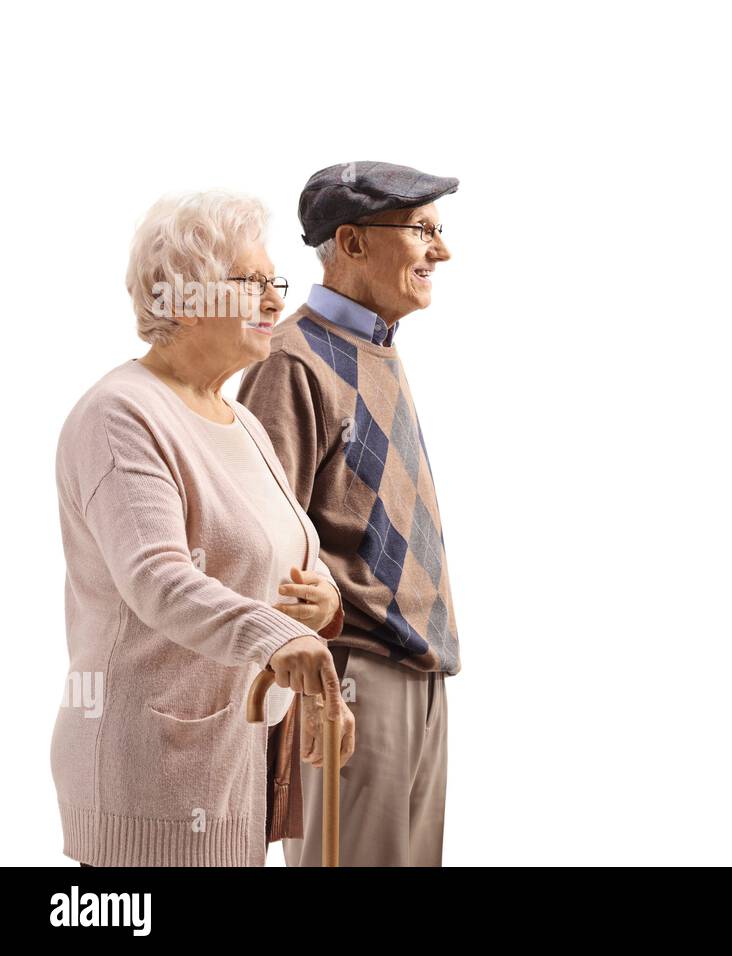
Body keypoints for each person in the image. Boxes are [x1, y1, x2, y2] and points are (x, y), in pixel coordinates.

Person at [52, 191, 355, 866]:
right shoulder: (121, 414)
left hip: (239, 775)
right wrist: (279, 638)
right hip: (150, 784)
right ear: (184, 299)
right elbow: (157, 578)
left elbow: (280, 551)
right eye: (251, 284)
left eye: (274, 283)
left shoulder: (241, 420)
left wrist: (324, 604)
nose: (276, 303)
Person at [238, 161, 461, 866]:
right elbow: (256, 546)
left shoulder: (377, 351)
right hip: (352, 678)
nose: (442, 251)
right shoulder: (292, 362)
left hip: (419, 677)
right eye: (423, 231)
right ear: (354, 242)